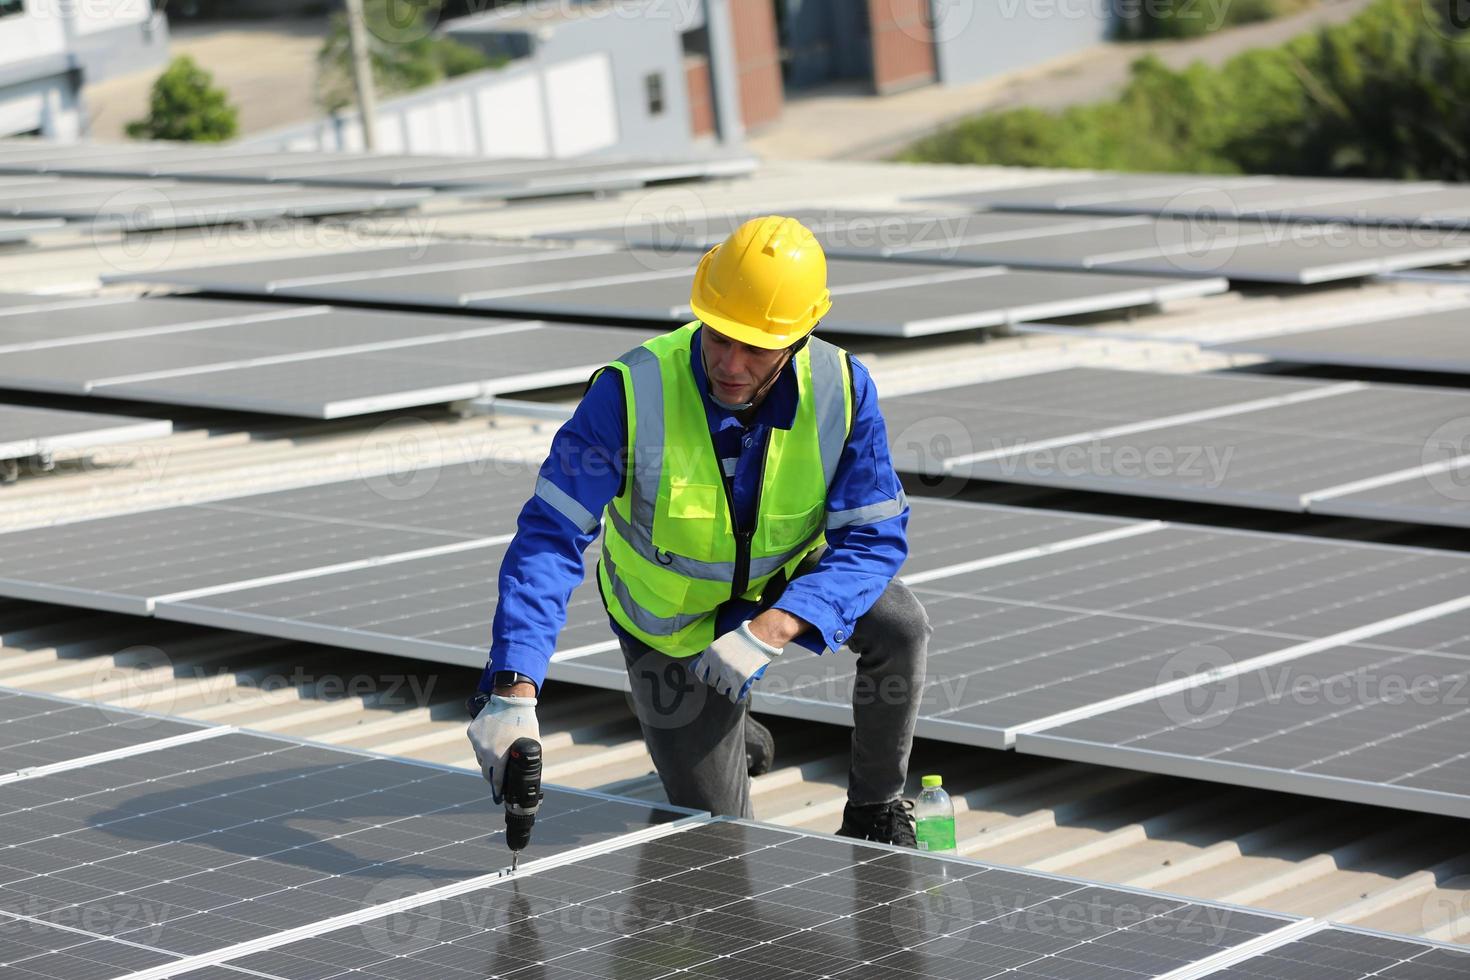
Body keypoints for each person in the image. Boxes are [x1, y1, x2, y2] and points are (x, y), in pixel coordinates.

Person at [467, 215, 931, 846]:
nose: (730, 364)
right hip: (669, 629)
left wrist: (777, 625)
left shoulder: (841, 389)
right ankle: (712, 723)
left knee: (901, 625)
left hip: (777, 586)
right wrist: (514, 691)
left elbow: (874, 538)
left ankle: (874, 809)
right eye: (719, 337)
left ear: (799, 338)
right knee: (721, 837)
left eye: (755, 347)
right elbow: (550, 536)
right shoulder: (632, 392)